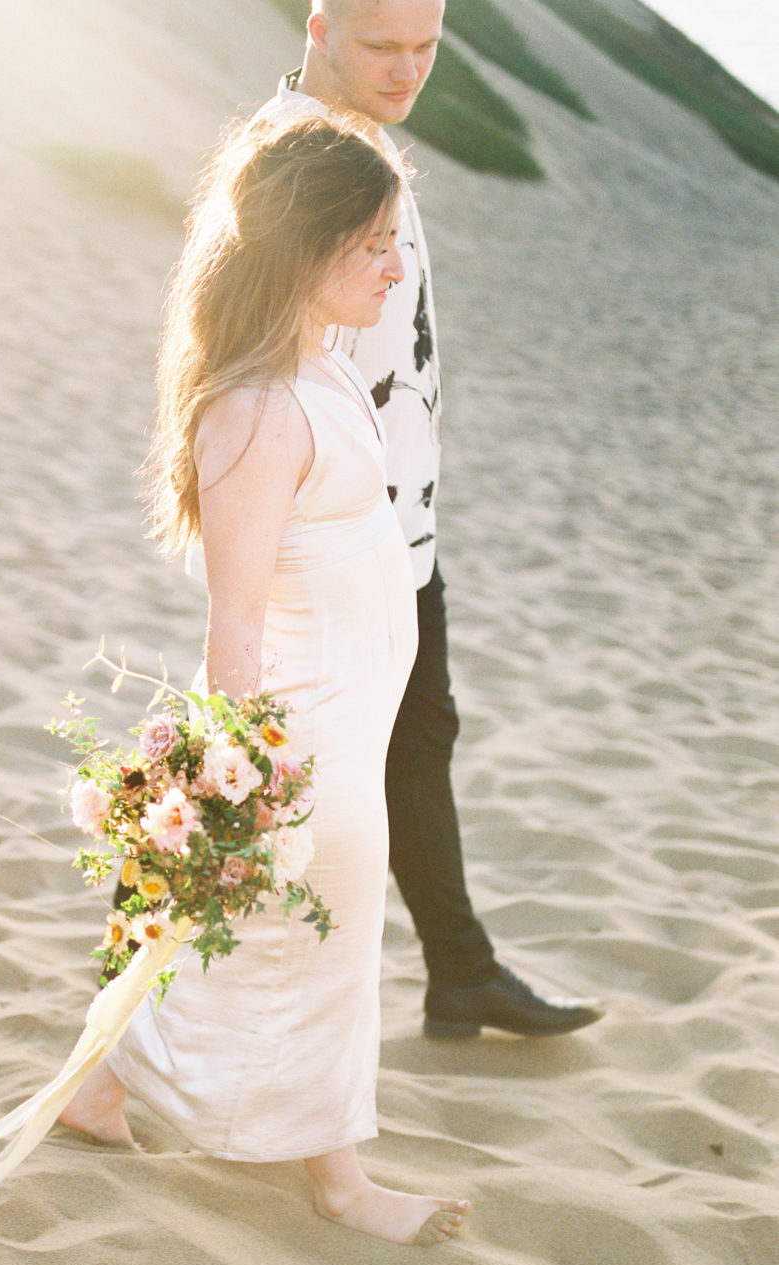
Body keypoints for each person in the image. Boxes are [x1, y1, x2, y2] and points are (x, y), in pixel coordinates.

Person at [61, 114, 470, 1247]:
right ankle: (340, 1185)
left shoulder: (328, 370)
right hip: (304, 728)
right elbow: (233, 614)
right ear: (309, 251)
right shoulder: (254, 408)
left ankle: (102, 1090)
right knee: (320, 946)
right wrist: (237, 768)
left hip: (355, 722)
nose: (396, 265)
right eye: (375, 243)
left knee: (273, 938)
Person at [266, 0, 604, 1038]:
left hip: (400, 530)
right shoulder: (300, 161)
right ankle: (128, 1028)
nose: (410, 69)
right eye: (383, 47)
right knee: (272, 782)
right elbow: (258, 363)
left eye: (427, 46)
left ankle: (460, 970)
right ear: (318, 28)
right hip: (338, 542)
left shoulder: (365, 146)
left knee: (412, 744)